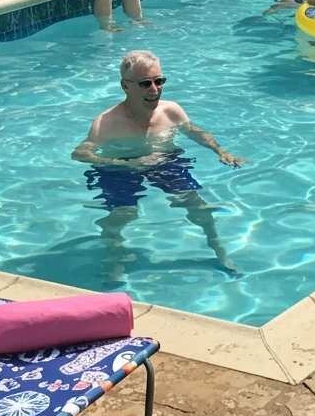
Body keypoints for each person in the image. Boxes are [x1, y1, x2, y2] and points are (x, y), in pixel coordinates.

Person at [74, 50, 247, 276]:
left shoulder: (171, 111)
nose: (154, 89)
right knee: (125, 213)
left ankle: (219, 252)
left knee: (199, 207)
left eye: (159, 81)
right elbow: (81, 154)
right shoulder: (107, 122)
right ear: (126, 86)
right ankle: (114, 255)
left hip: (163, 159)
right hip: (122, 165)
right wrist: (125, 164)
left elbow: (194, 132)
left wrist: (221, 151)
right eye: (145, 83)